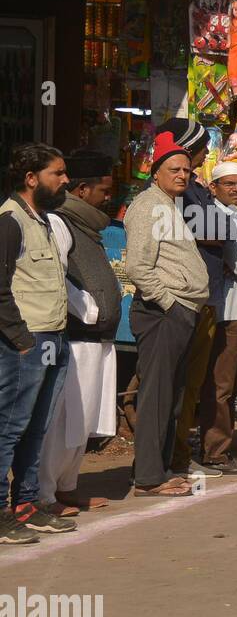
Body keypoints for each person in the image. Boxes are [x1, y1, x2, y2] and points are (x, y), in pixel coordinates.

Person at [124, 132, 209, 497]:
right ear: (155, 171)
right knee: (158, 396)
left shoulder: (168, 205)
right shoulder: (148, 206)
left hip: (179, 311)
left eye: (187, 170)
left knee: (170, 395)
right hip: (162, 313)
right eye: (174, 169)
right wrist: (171, 305)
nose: (182, 176)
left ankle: (157, 470)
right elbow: (138, 267)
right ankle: (147, 478)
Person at [37, 150, 120, 517]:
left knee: (83, 421)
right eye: (103, 190)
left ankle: (67, 486)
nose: (109, 197)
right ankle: (43, 492)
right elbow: (54, 277)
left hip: (96, 340)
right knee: (63, 421)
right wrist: (90, 309)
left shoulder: (88, 226)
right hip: (75, 338)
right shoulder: (59, 223)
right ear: (83, 191)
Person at [0, 144, 73, 543]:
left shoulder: (42, 219)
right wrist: (22, 340)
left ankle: (25, 504)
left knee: (36, 427)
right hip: (26, 340)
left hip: (52, 336)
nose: (64, 180)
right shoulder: (10, 221)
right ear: (31, 178)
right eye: (57, 173)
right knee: (10, 426)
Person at [159, 118, 222, 480]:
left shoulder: (196, 188)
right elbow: (211, 230)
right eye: (201, 147)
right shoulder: (181, 193)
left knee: (193, 383)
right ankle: (174, 457)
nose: (206, 152)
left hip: (205, 297)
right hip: (186, 300)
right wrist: (226, 230)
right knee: (182, 382)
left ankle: (180, 453)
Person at [196, 162, 237, 474]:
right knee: (222, 384)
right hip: (229, 310)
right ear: (214, 187)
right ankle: (215, 450)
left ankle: (220, 446)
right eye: (230, 184)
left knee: (230, 383)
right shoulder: (218, 217)